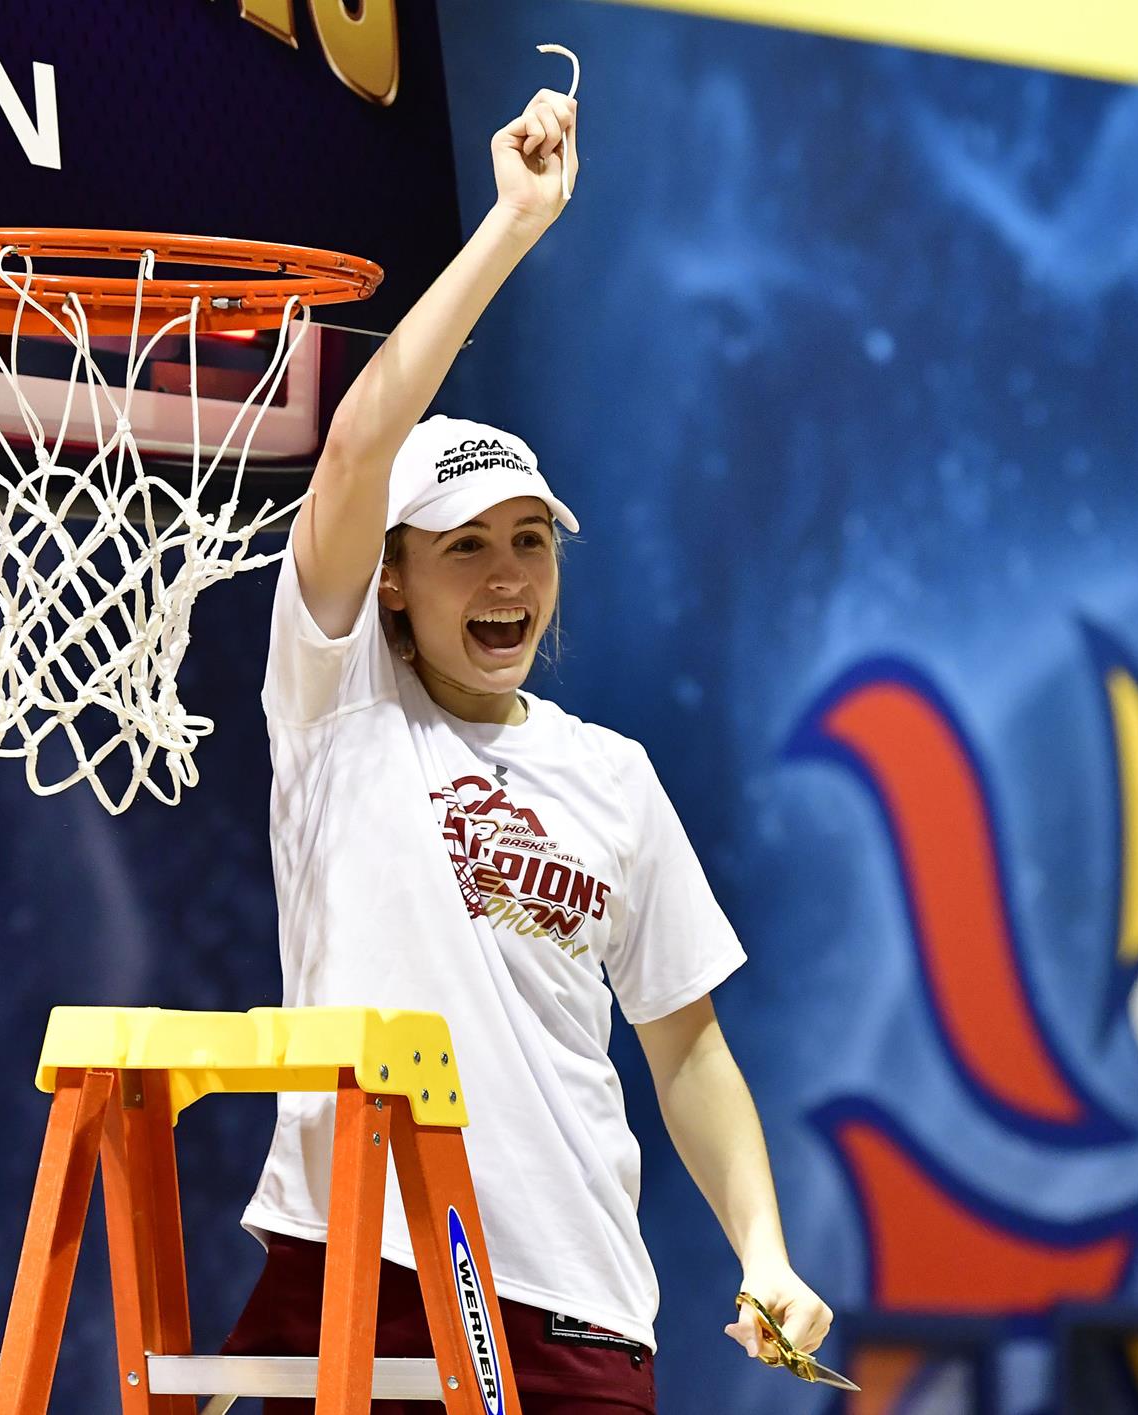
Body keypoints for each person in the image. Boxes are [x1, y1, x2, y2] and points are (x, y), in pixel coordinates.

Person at [219, 79, 832, 1412]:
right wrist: (512, 226)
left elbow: (686, 1047)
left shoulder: (613, 778)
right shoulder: (340, 704)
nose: (506, 576)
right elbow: (356, 447)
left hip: (577, 1315)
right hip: (365, 1275)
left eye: (530, 541)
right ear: (392, 580)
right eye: (464, 548)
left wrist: (764, 1252)